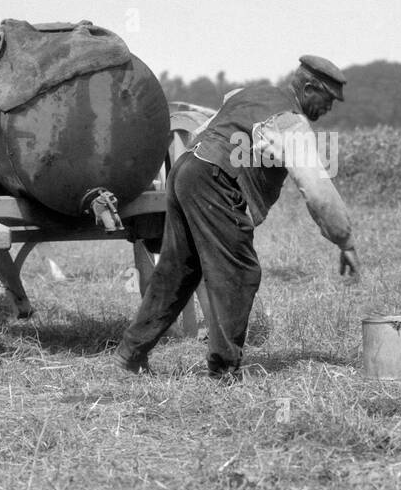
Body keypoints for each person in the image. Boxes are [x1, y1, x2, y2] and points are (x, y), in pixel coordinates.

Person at [115, 55, 359, 378]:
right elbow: (316, 188)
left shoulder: (249, 93)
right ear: (309, 88)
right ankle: (223, 370)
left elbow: (205, 128)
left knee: (178, 269)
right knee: (238, 273)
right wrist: (345, 241)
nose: (329, 108)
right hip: (212, 179)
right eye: (327, 99)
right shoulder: (289, 122)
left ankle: (129, 355)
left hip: (186, 169)